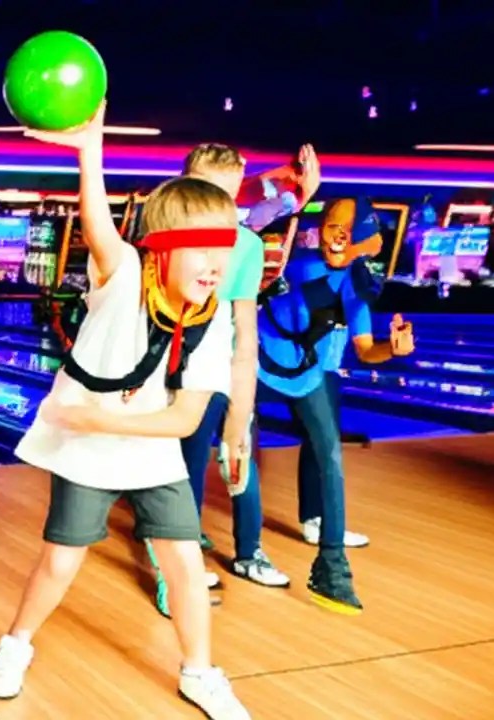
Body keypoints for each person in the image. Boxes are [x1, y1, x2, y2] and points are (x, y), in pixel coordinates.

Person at [0, 108, 250, 720]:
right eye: (202, 249)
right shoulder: (124, 273)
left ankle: (201, 673)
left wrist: (103, 421)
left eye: (224, 250)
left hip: (144, 447)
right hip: (87, 454)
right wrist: (89, 149)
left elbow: (183, 423)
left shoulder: (210, 326)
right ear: (161, 251)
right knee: (60, 560)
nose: (216, 264)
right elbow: (97, 220)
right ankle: (14, 646)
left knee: (184, 560)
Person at [144, 144, 323, 616]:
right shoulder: (162, 231)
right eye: (207, 194)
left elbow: (245, 331)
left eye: (227, 200)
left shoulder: (243, 244)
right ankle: (176, 563)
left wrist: (240, 410)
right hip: (170, 369)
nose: (219, 214)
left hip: (219, 369)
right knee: (181, 469)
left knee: (239, 456)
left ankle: (248, 552)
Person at [256, 197, 413, 615]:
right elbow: (301, 291)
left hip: (314, 373)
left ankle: (327, 552)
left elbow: (365, 350)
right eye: (330, 225)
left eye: (347, 227)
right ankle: (236, 544)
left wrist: (392, 351)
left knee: (327, 452)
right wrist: (359, 252)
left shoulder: (358, 286)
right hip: (258, 365)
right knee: (230, 443)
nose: (337, 234)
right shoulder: (297, 263)